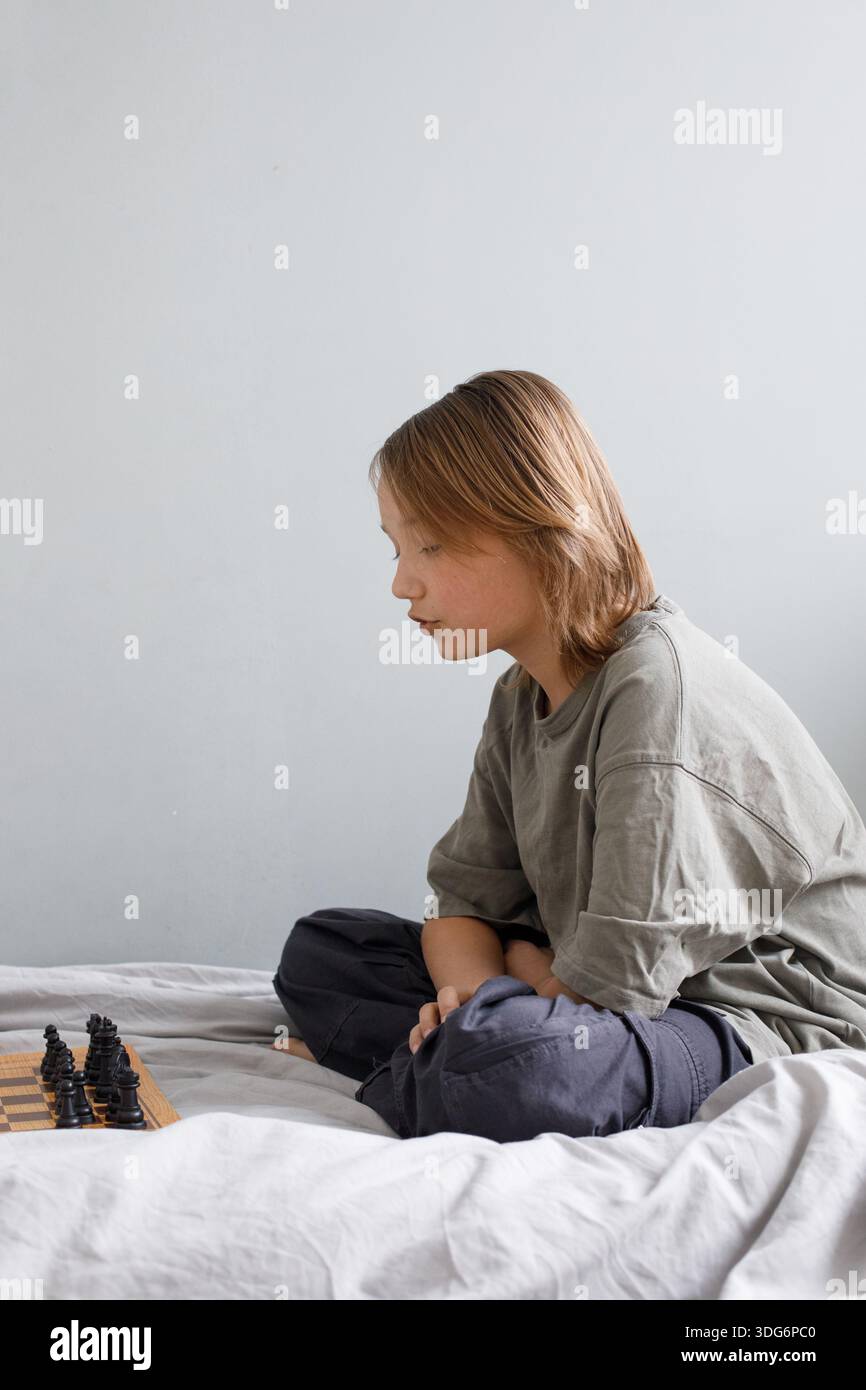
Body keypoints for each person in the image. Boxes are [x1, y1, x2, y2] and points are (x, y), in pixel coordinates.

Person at [273, 369, 866, 1142]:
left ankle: (449, 1067)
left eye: (430, 543)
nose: (400, 583)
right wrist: (483, 1000)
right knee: (324, 949)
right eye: (397, 547)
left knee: (523, 1066)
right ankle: (454, 1063)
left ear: (539, 526)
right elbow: (458, 910)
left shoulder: (655, 689)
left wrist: (499, 1000)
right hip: (586, 993)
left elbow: (613, 999)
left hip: (742, 1019)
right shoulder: (520, 696)